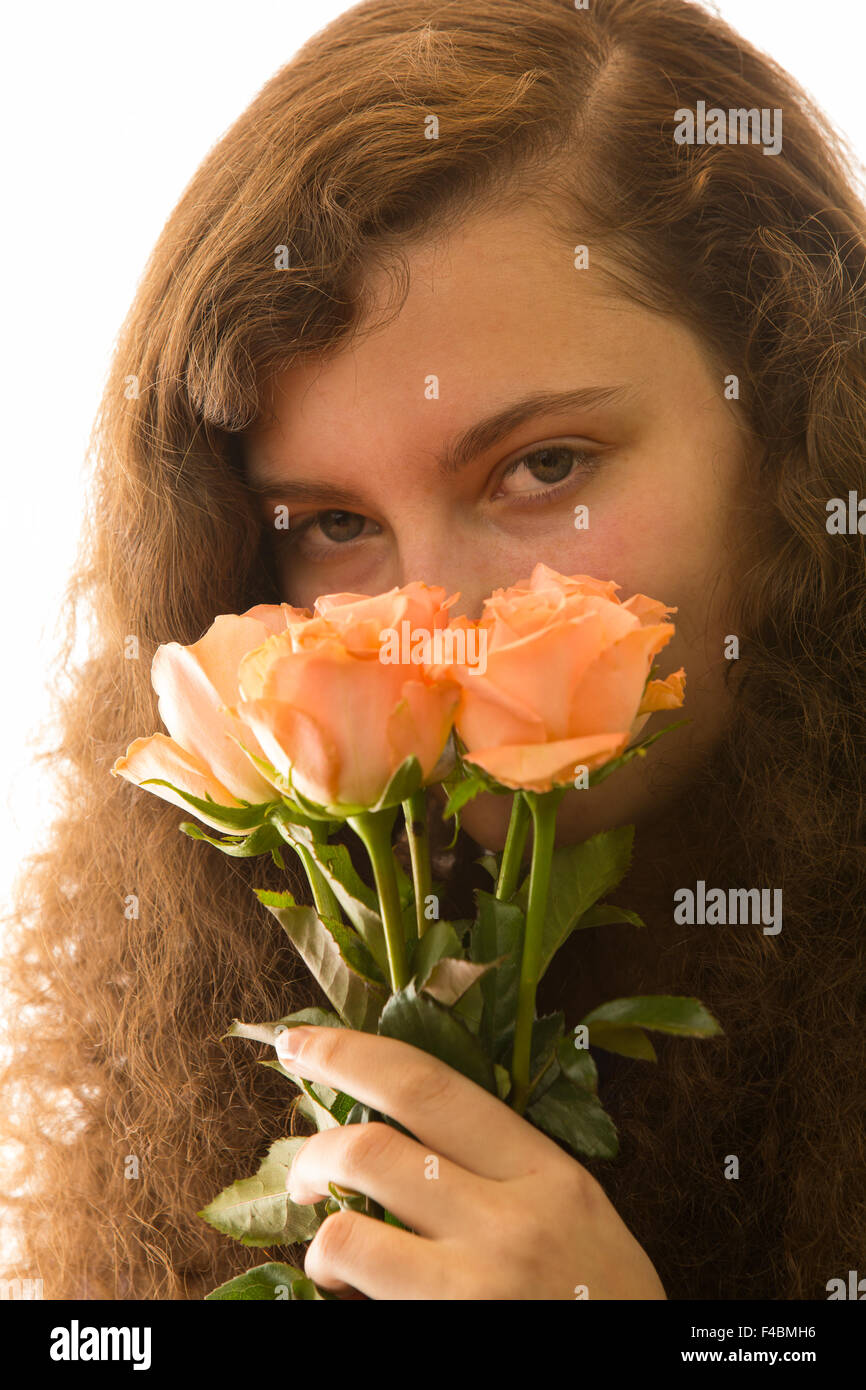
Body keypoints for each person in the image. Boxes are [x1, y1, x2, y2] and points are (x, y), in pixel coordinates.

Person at [1, 0, 864, 1300]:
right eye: (333, 523)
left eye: (543, 466)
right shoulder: (212, 1053)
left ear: (801, 429)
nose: (432, 623)